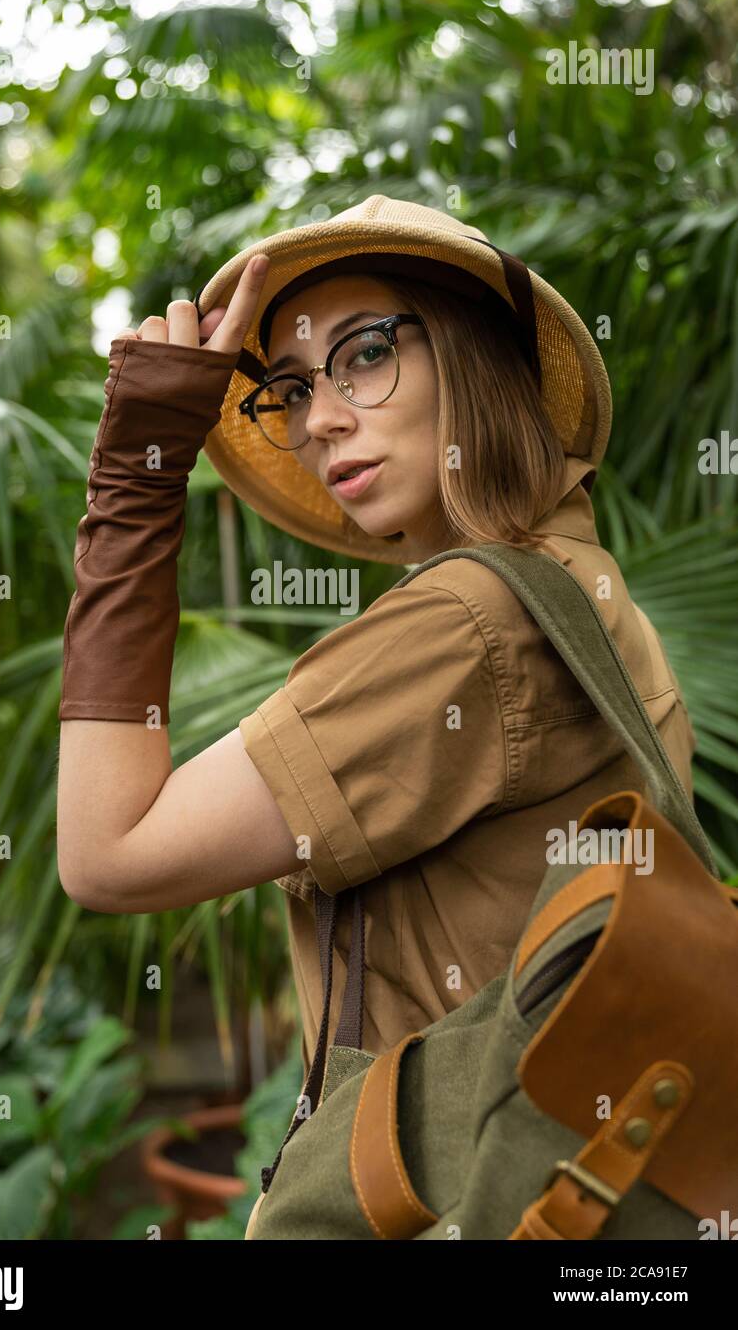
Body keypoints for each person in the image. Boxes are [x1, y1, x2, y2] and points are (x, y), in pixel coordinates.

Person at [55, 196, 697, 1237]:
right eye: (291, 390)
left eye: (362, 354)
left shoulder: (465, 620)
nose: (318, 419)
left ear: (474, 357)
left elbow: (105, 850)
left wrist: (136, 481)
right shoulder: (581, 585)